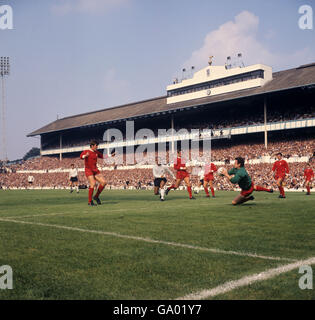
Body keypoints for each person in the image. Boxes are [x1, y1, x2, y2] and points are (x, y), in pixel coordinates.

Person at [80, 140, 114, 206]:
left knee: (104, 182)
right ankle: (89, 202)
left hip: (95, 170)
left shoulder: (96, 152)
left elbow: (102, 156)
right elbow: (81, 156)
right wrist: (85, 156)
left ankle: (96, 196)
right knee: (93, 183)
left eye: (97, 145)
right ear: (92, 146)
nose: (97, 147)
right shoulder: (86, 151)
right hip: (88, 170)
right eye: (96, 146)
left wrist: (110, 155)